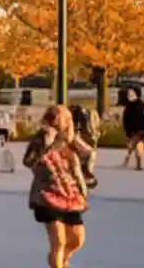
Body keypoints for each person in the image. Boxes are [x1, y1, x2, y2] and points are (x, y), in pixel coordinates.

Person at [23, 105, 94, 268]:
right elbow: (29, 161)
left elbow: (87, 155)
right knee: (59, 241)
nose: (69, 122)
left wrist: (76, 141)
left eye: (70, 119)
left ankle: (61, 260)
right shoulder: (41, 138)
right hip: (47, 194)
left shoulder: (70, 138)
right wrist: (51, 142)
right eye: (66, 119)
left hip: (70, 193)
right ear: (54, 119)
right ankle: (57, 263)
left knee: (78, 239)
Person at [121, 87, 144, 171]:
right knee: (135, 144)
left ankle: (136, 162)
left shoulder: (134, 106)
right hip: (137, 129)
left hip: (139, 129)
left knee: (136, 144)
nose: (130, 95)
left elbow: (126, 120)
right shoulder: (133, 106)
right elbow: (126, 120)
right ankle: (136, 161)